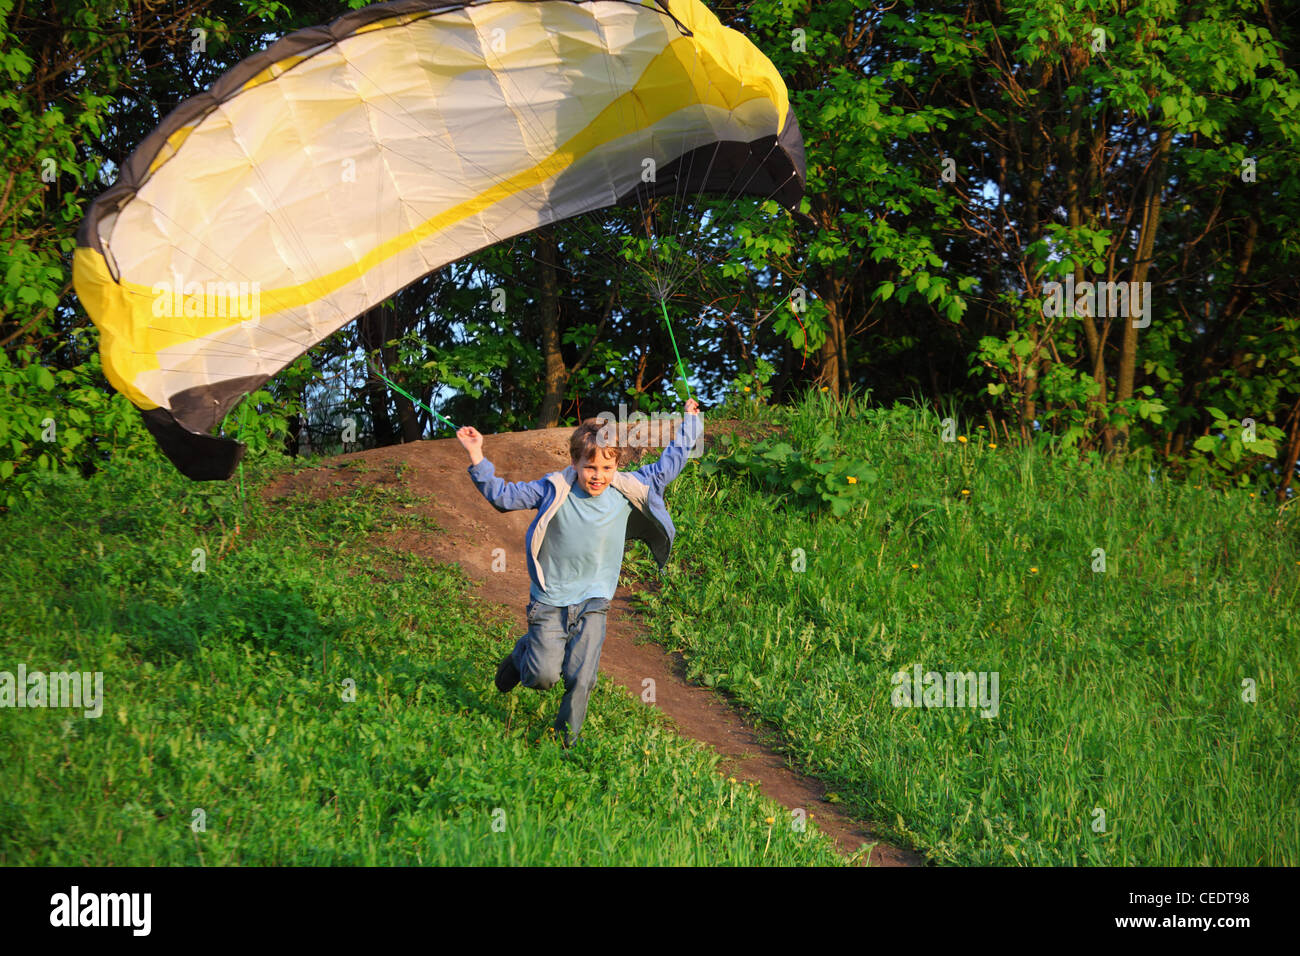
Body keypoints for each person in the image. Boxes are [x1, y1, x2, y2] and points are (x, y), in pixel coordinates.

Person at [456, 399, 702, 746]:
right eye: (590, 467)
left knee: (582, 677)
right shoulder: (553, 488)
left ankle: (564, 741)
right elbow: (504, 497)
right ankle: (521, 653)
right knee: (543, 676)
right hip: (550, 600)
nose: (598, 476)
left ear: (616, 463)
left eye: (606, 466)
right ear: (575, 462)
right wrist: (477, 456)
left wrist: (691, 425)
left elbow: (670, 464)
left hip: (594, 601)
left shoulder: (627, 487)